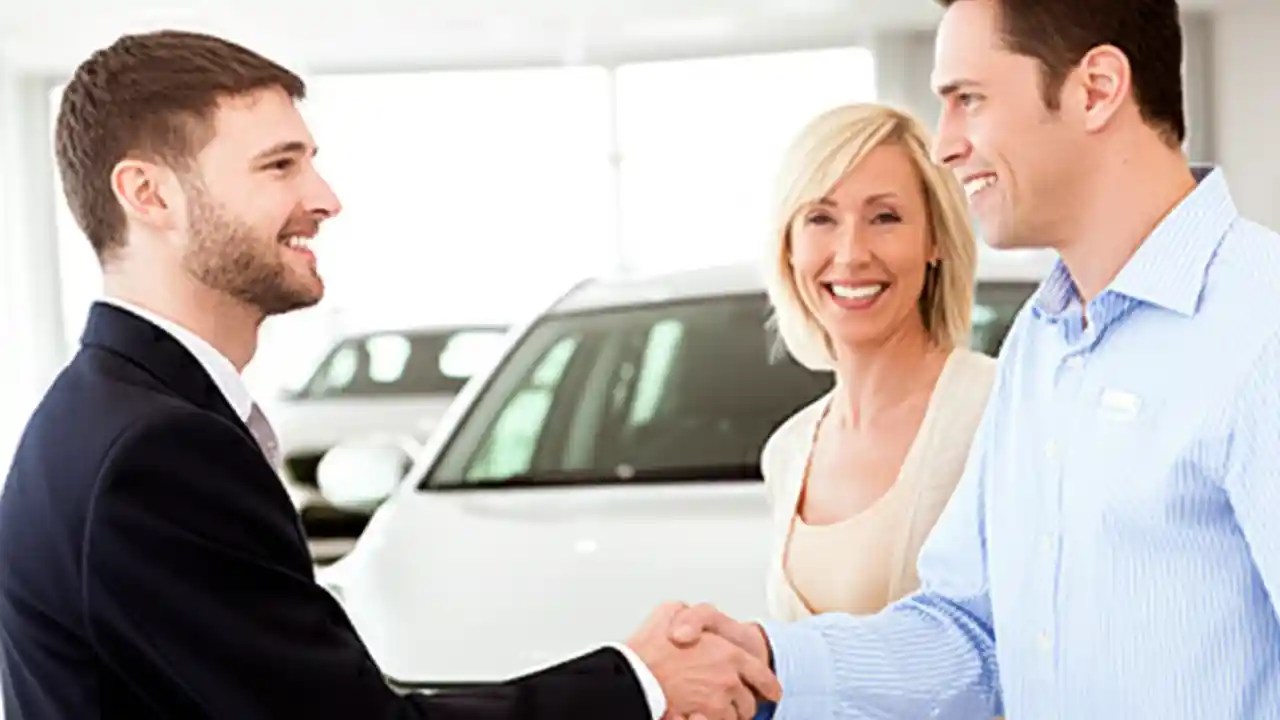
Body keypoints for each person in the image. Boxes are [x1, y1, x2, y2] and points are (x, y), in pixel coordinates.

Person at [0, 30, 779, 720]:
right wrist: (640, 683)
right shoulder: (154, 450)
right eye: (280, 165)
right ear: (149, 194)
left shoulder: (106, 415)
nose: (324, 199)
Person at [666, 0, 1280, 717]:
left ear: (1097, 88)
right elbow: (972, 632)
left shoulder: (1260, 327)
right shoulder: (1041, 345)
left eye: (969, 100)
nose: (946, 144)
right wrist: (769, 660)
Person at [758, 103, 994, 623]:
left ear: (935, 239)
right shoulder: (789, 450)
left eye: (884, 217)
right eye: (820, 218)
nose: (850, 253)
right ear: (789, 246)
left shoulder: (992, 410)